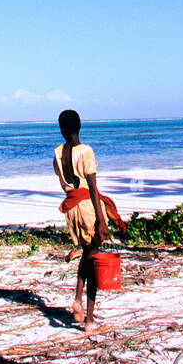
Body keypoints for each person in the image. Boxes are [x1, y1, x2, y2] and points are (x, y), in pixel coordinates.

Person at [53, 109, 118, 334]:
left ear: (61, 129)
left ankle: (78, 300)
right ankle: (89, 320)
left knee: (87, 253)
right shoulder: (86, 151)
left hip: (72, 209)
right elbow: (91, 187)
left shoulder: (58, 153)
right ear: (79, 126)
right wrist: (102, 220)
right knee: (93, 262)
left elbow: (66, 182)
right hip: (88, 208)